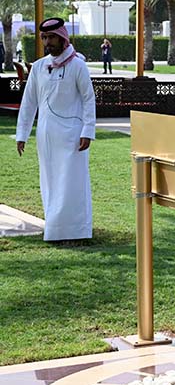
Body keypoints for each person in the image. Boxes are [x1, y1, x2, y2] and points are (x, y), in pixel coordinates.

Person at [15, 18, 95, 241]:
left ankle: (77, 231)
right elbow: (29, 102)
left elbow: (89, 100)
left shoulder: (78, 65)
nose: (47, 42)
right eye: (44, 38)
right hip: (46, 137)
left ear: (62, 38)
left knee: (71, 182)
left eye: (51, 38)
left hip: (73, 137)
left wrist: (87, 131)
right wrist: (22, 134)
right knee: (50, 181)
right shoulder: (40, 66)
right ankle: (55, 229)